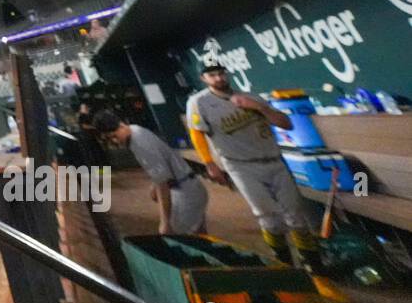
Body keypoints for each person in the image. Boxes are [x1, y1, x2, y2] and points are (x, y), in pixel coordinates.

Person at [186, 64, 322, 270]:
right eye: (212, 75)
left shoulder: (252, 97)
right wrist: (208, 162)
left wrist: (259, 107)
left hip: (275, 161)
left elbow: (287, 124)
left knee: (296, 216)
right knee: (269, 217)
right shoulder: (199, 102)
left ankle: (314, 264)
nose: (218, 78)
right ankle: (283, 264)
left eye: (221, 73)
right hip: (241, 166)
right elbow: (197, 132)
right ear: (204, 79)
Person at [92, 110, 208, 235]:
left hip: (186, 193)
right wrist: (155, 186)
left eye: (114, 136)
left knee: (181, 238)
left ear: (121, 125)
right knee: (200, 235)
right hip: (190, 186)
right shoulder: (136, 130)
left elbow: (163, 186)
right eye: (110, 140)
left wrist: (165, 222)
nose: (115, 142)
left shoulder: (140, 144)